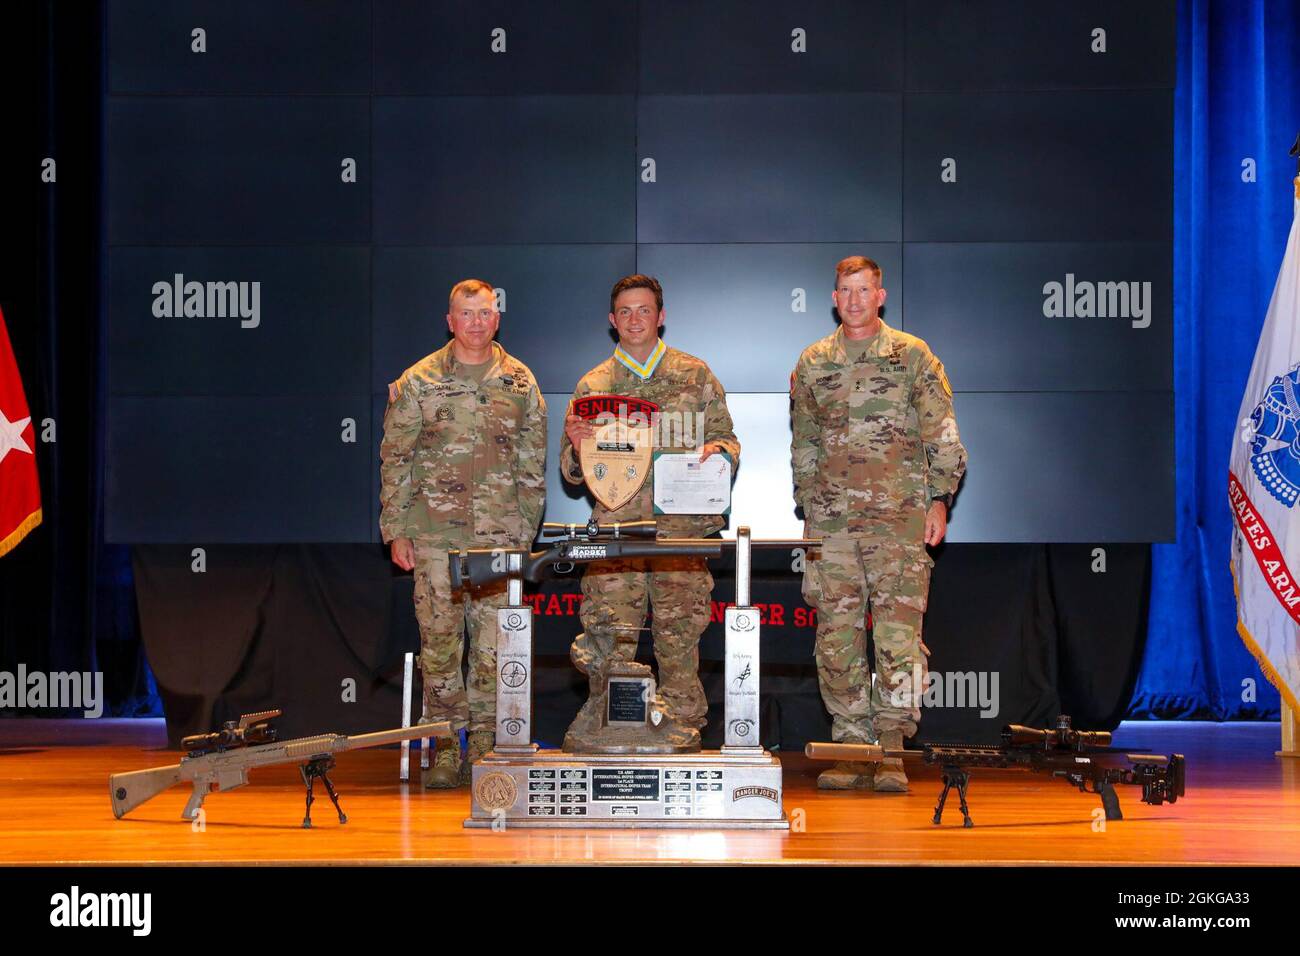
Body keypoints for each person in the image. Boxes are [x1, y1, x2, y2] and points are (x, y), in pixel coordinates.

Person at [791, 256, 967, 791]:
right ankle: (851, 749)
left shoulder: (912, 356)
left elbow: (942, 434)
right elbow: (804, 442)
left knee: (898, 642)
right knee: (836, 640)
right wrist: (810, 508)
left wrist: (939, 500)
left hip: (900, 524)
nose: (855, 299)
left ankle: (890, 751)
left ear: (880, 296)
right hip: (832, 529)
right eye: (846, 290)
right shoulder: (813, 362)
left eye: (864, 289)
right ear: (834, 298)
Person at [559, 275, 739, 749]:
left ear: (661, 316)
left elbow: (727, 440)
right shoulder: (593, 385)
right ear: (612, 320)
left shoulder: (695, 375)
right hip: (616, 537)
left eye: (644, 310)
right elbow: (572, 473)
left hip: (681, 536)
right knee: (610, 639)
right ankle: (610, 732)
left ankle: (683, 735)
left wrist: (719, 452)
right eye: (625, 311)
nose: (634, 319)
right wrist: (576, 445)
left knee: (679, 638)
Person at [379, 279, 547, 787]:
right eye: (466, 313)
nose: (477, 322)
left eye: (485, 312)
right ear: (450, 321)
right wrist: (396, 530)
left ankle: (488, 745)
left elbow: (532, 464)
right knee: (440, 646)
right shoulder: (419, 380)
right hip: (434, 539)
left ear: (497, 318)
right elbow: (396, 458)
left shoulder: (520, 381)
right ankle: (448, 746)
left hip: (498, 539)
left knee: (494, 648)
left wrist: (523, 536)